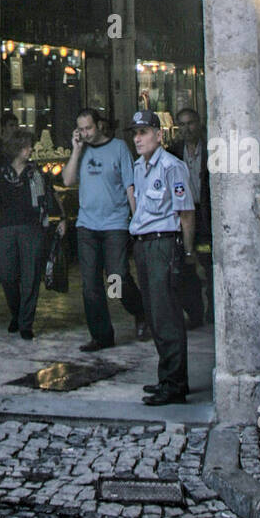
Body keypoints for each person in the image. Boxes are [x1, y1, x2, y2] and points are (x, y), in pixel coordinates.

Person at [62, 107, 149, 350]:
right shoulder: (82, 150)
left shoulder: (119, 147)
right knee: (90, 284)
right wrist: (76, 149)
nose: (85, 133)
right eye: (81, 129)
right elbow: (68, 181)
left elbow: (130, 186)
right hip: (87, 225)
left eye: (88, 128)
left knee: (116, 278)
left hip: (115, 224)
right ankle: (101, 336)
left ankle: (140, 310)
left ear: (99, 125)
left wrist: (138, 220)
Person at [128, 109, 196, 406]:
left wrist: (187, 253)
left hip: (163, 244)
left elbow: (186, 214)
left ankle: (175, 384)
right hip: (143, 244)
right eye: (135, 133)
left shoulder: (172, 167)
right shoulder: (138, 167)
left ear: (159, 134)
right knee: (154, 313)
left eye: (143, 132)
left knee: (167, 314)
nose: (138, 138)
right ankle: (166, 377)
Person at [0, 126, 66, 340]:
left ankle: (26, 323)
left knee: (31, 276)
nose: (30, 150)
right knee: (7, 275)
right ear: (17, 149)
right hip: (7, 228)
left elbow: (51, 195)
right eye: (26, 147)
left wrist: (61, 217)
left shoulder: (37, 173)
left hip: (32, 227)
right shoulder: (2, 175)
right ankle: (17, 312)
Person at [169, 107, 212, 328]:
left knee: (209, 262)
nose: (186, 129)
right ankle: (194, 313)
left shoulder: (212, 149)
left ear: (199, 123)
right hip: (183, 215)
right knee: (186, 264)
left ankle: (213, 312)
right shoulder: (174, 152)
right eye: (182, 125)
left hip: (205, 215)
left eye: (190, 123)